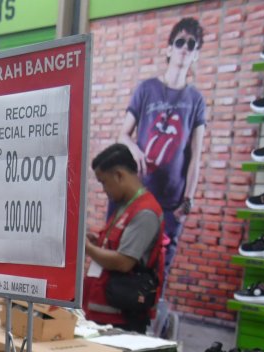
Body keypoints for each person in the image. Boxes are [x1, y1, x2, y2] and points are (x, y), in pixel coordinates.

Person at [117, 16, 206, 282]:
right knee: (129, 259)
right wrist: (133, 147)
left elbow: (196, 155)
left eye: (191, 44)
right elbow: (123, 134)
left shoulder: (195, 99)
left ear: (196, 54)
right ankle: (126, 321)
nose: (184, 48)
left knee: (159, 269)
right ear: (169, 49)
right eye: (180, 42)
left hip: (172, 203)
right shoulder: (147, 90)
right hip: (140, 195)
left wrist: (186, 202)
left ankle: (149, 321)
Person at [83, 144, 164, 333]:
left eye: (103, 182)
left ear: (119, 175)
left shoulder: (145, 212)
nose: (104, 189)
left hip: (122, 321)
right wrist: (98, 243)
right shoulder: (125, 206)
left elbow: (123, 262)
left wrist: (86, 248)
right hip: (104, 316)